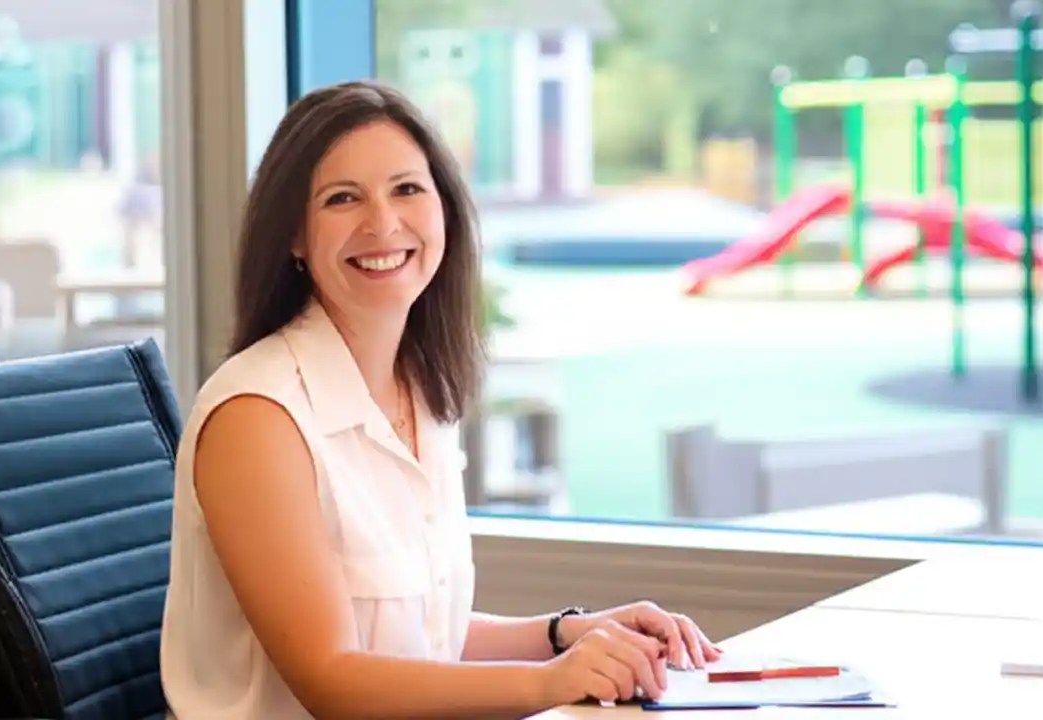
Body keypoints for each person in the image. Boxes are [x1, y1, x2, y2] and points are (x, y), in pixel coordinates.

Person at [160, 80, 722, 719]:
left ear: (444, 210)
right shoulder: (258, 418)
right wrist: (550, 684)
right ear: (293, 235)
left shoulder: (418, 392)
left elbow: (419, 640)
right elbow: (334, 681)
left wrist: (566, 635)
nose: (382, 224)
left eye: (406, 190)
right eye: (342, 199)